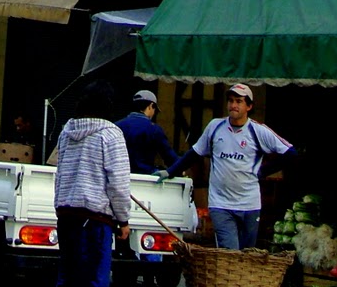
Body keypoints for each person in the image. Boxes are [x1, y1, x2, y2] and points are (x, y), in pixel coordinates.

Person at [175, 83, 294, 250]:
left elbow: (290, 153)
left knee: (247, 254)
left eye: (239, 101)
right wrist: (170, 171)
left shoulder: (258, 131)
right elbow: (195, 153)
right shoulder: (215, 127)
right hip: (220, 204)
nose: (233, 105)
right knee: (230, 252)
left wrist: (264, 171)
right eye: (230, 101)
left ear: (249, 106)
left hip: (250, 204)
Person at [52, 80, 131, 287]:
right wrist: (123, 220)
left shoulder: (66, 133)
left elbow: (60, 175)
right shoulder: (111, 134)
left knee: (67, 278)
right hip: (95, 219)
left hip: (66, 215)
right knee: (95, 280)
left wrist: (59, 209)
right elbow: (118, 184)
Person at [117, 89, 184, 285]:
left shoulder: (117, 127)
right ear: (150, 106)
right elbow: (172, 161)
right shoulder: (154, 130)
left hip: (120, 190)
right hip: (149, 194)